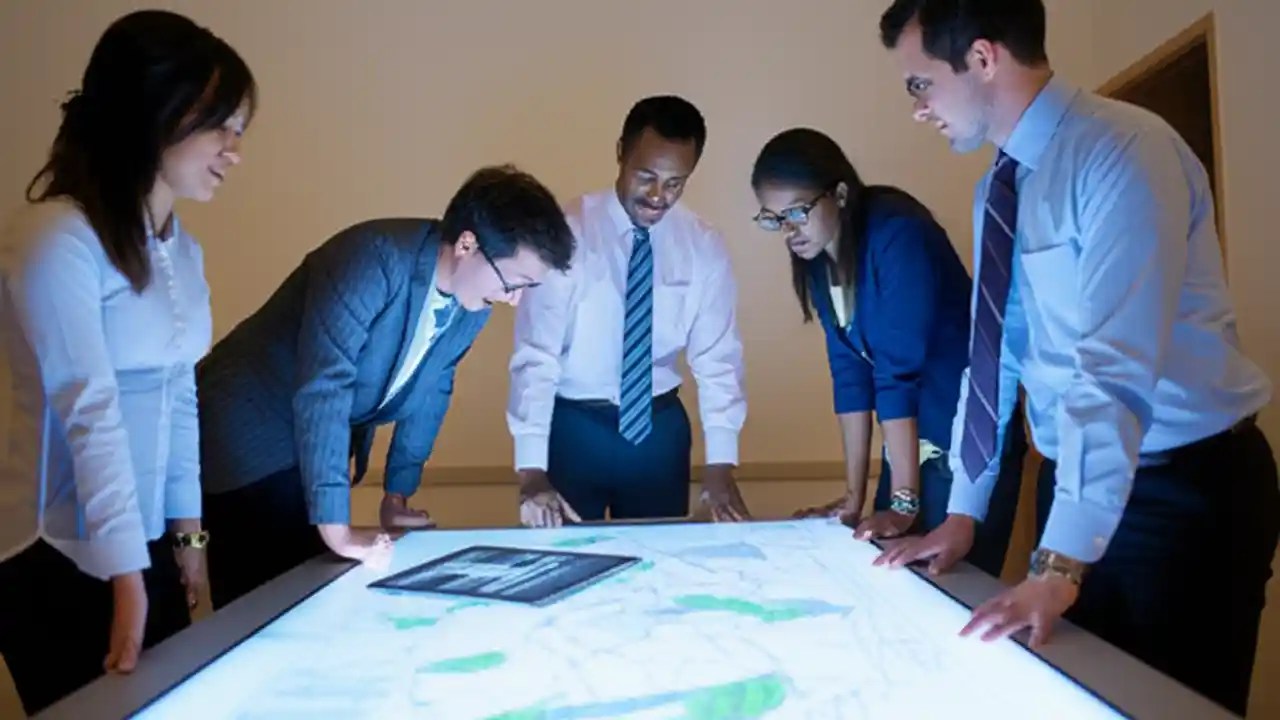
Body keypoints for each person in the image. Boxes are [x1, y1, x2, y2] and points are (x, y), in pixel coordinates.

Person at [874, 1, 1278, 715]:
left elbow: (1112, 367)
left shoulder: (1123, 150)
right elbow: (993, 359)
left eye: (919, 84)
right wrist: (964, 511)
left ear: (982, 57)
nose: (917, 108)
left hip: (1179, 495)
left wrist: (1058, 562)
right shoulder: (995, 190)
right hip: (1071, 482)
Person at [0, 10, 255, 716]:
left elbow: (178, 393)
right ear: (152, 113)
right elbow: (88, 406)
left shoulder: (180, 248)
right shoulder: (55, 236)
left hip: (141, 547)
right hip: (56, 550)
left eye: (240, 127)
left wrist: (189, 533)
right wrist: (126, 578)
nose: (234, 149)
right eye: (219, 124)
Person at [197, 164, 574, 610]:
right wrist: (336, 527)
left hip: (309, 438)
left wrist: (396, 494)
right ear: (467, 245)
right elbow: (325, 387)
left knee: (314, 591)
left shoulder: (474, 305)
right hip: (248, 428)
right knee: (273, 601)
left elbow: (434, 388)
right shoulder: (373, 258)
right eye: (514, 283)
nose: (515, 300)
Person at [753, 128, 1024, 578]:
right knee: (884, 565)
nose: (789, 231)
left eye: (798, 212)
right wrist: (852, 500)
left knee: (948, 585)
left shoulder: (897, 233)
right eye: (773, 218)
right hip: (911, 448)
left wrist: (903, 502)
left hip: (965, 442)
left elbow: (897, 376)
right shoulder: (818, 260)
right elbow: (850, 378)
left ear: (839, 193)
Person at [508, 95, 750, 527]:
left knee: (658, 568)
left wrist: (721, 464)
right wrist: (530, 468)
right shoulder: (566, 231)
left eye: (676, 182)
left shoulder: (702, 245)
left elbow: (718, 359)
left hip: (658, 434)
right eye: (647, 177)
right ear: (621, 152)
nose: (659, 196)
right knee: (565, 564)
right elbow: (536, 354)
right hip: (573, 429)